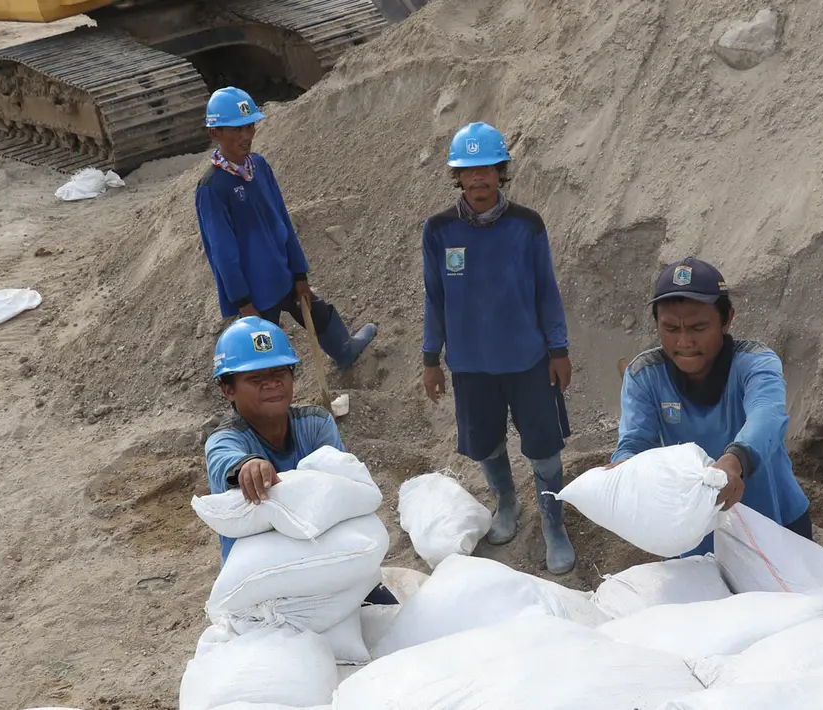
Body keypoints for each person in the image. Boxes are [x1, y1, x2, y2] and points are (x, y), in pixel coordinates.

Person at [419, 121, 577, 575]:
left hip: (527, 360)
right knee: (486, 444)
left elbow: (546, 289)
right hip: (470, 366)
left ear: (502, 170)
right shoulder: (439, 230)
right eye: (469, 171)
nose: (479, 179)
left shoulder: (527, 225)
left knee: (544, 449)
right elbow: (435, 297)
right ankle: (507, 502)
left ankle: (553, 523)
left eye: (487, 168)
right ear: (458, 177)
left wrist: (558, 348)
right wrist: (431, 359)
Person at [611, 256, 811, 557]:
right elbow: (635, 441)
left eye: (698, 327)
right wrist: (623, 468)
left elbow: (766, 416)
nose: (684, 341)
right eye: (670, 328)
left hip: (776, 521)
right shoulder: (644, 376)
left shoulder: (755, 364)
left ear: (727, 319)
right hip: (699, 534)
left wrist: (733, 462)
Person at [203, 316, 397, 604]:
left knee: (385, 612)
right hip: (264, 581)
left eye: (280, 373)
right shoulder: (226, 440)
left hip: (328, 560)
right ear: (227, 389)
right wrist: (249, 465)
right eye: (255, 378)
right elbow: (225, 460)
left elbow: (341, 489)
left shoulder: (316, 424)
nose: (271, 385)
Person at [195, 86, 376, 370]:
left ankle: (344, 350)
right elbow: (223, 254)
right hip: (254, 291)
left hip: (282, 273)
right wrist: (243, 302)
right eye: (236, 129)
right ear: (214, 133)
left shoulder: (259, 166)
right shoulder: (213, 188)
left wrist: (299, 272)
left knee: (317, 312)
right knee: (263, 352)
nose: (246, 136)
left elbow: (282, 219)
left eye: (250, 126)